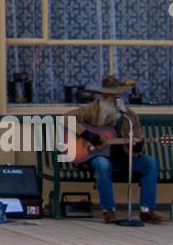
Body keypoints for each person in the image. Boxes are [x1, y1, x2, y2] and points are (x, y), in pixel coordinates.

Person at [68, 76, 162, 223]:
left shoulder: (129, 116)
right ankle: (108, 210)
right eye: (108, 95)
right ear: (103, 96)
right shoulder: (91, 110)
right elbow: (66, 118)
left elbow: (137, 138)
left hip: (123, 159)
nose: (112, 98)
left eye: (115, 95)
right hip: (97, 155)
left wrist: (137, 145)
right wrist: (88, 134)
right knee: (102, 164)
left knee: (150, 163)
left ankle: (146, 210)